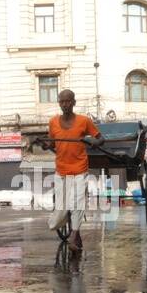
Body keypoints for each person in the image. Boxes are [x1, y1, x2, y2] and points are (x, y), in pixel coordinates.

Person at [41, 89, 103, 251]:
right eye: (62, 101)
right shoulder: (53, 122)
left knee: (77, 202)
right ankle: (73, 230)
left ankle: (74, 236)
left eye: (68, 101)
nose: (65, 104)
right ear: (59, 103)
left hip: (80, 168)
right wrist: (46, 145)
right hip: (61, 170)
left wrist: (95, 142)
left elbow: (100, 138)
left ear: (74, 102)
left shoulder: (84, 121)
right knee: (61, 209)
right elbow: (52, 143)